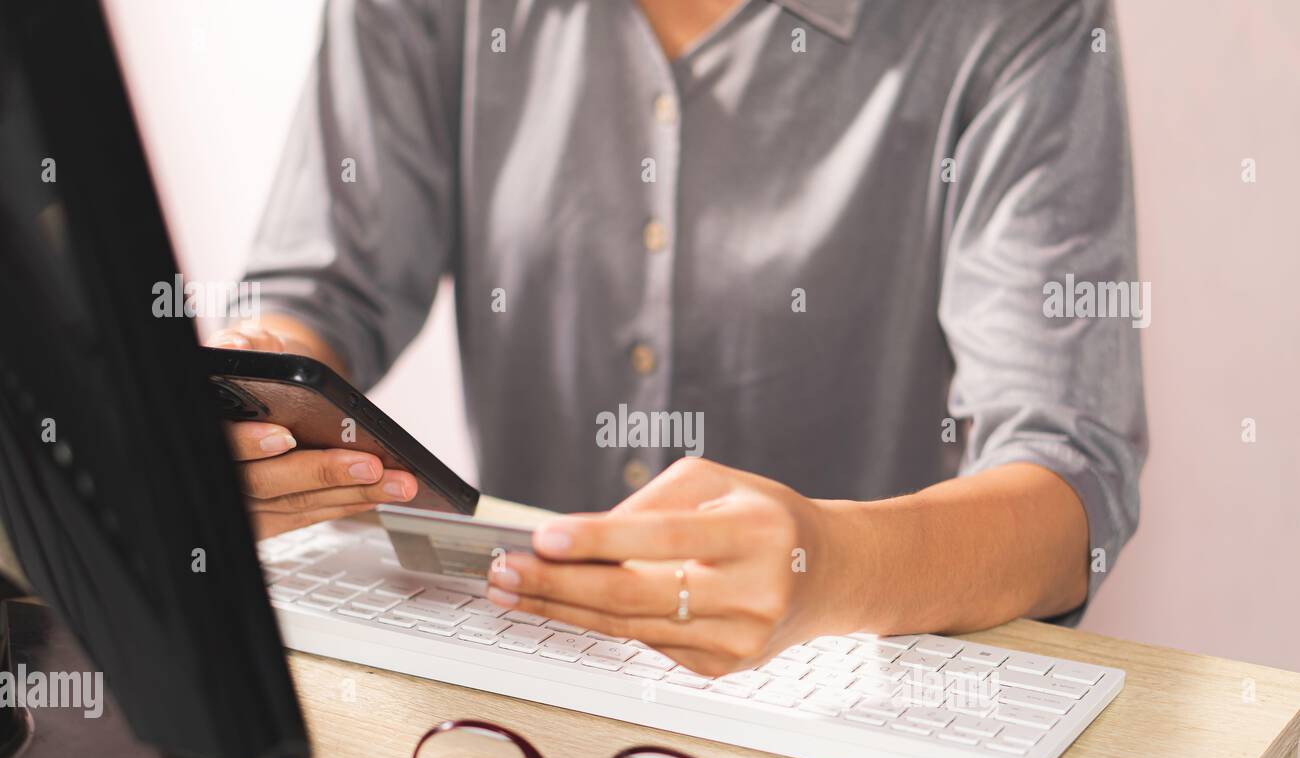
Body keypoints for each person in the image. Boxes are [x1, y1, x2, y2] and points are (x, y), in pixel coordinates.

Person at [210, 0, 1147, 677]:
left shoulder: (1021, 23)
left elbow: (1070, 481)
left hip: (849, 691)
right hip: (507, 666)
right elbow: (320, 290)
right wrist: (243, 401)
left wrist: (827, 560)